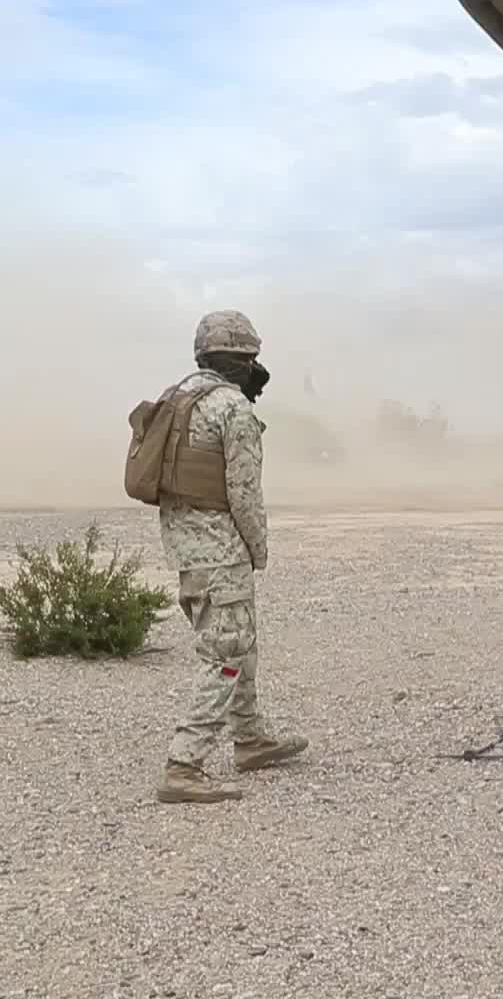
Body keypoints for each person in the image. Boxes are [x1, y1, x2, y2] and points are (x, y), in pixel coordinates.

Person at [153, 309, 308, 805]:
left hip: (187, 547)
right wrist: (258, 549)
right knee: (225, 651)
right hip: (222, 550)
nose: (256, 370)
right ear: (237, 360)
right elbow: (244, 493)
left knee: (241, 641)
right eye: (252, 360)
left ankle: (250, 738)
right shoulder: (231, 409)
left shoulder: (177, 400)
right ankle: (184, 763)